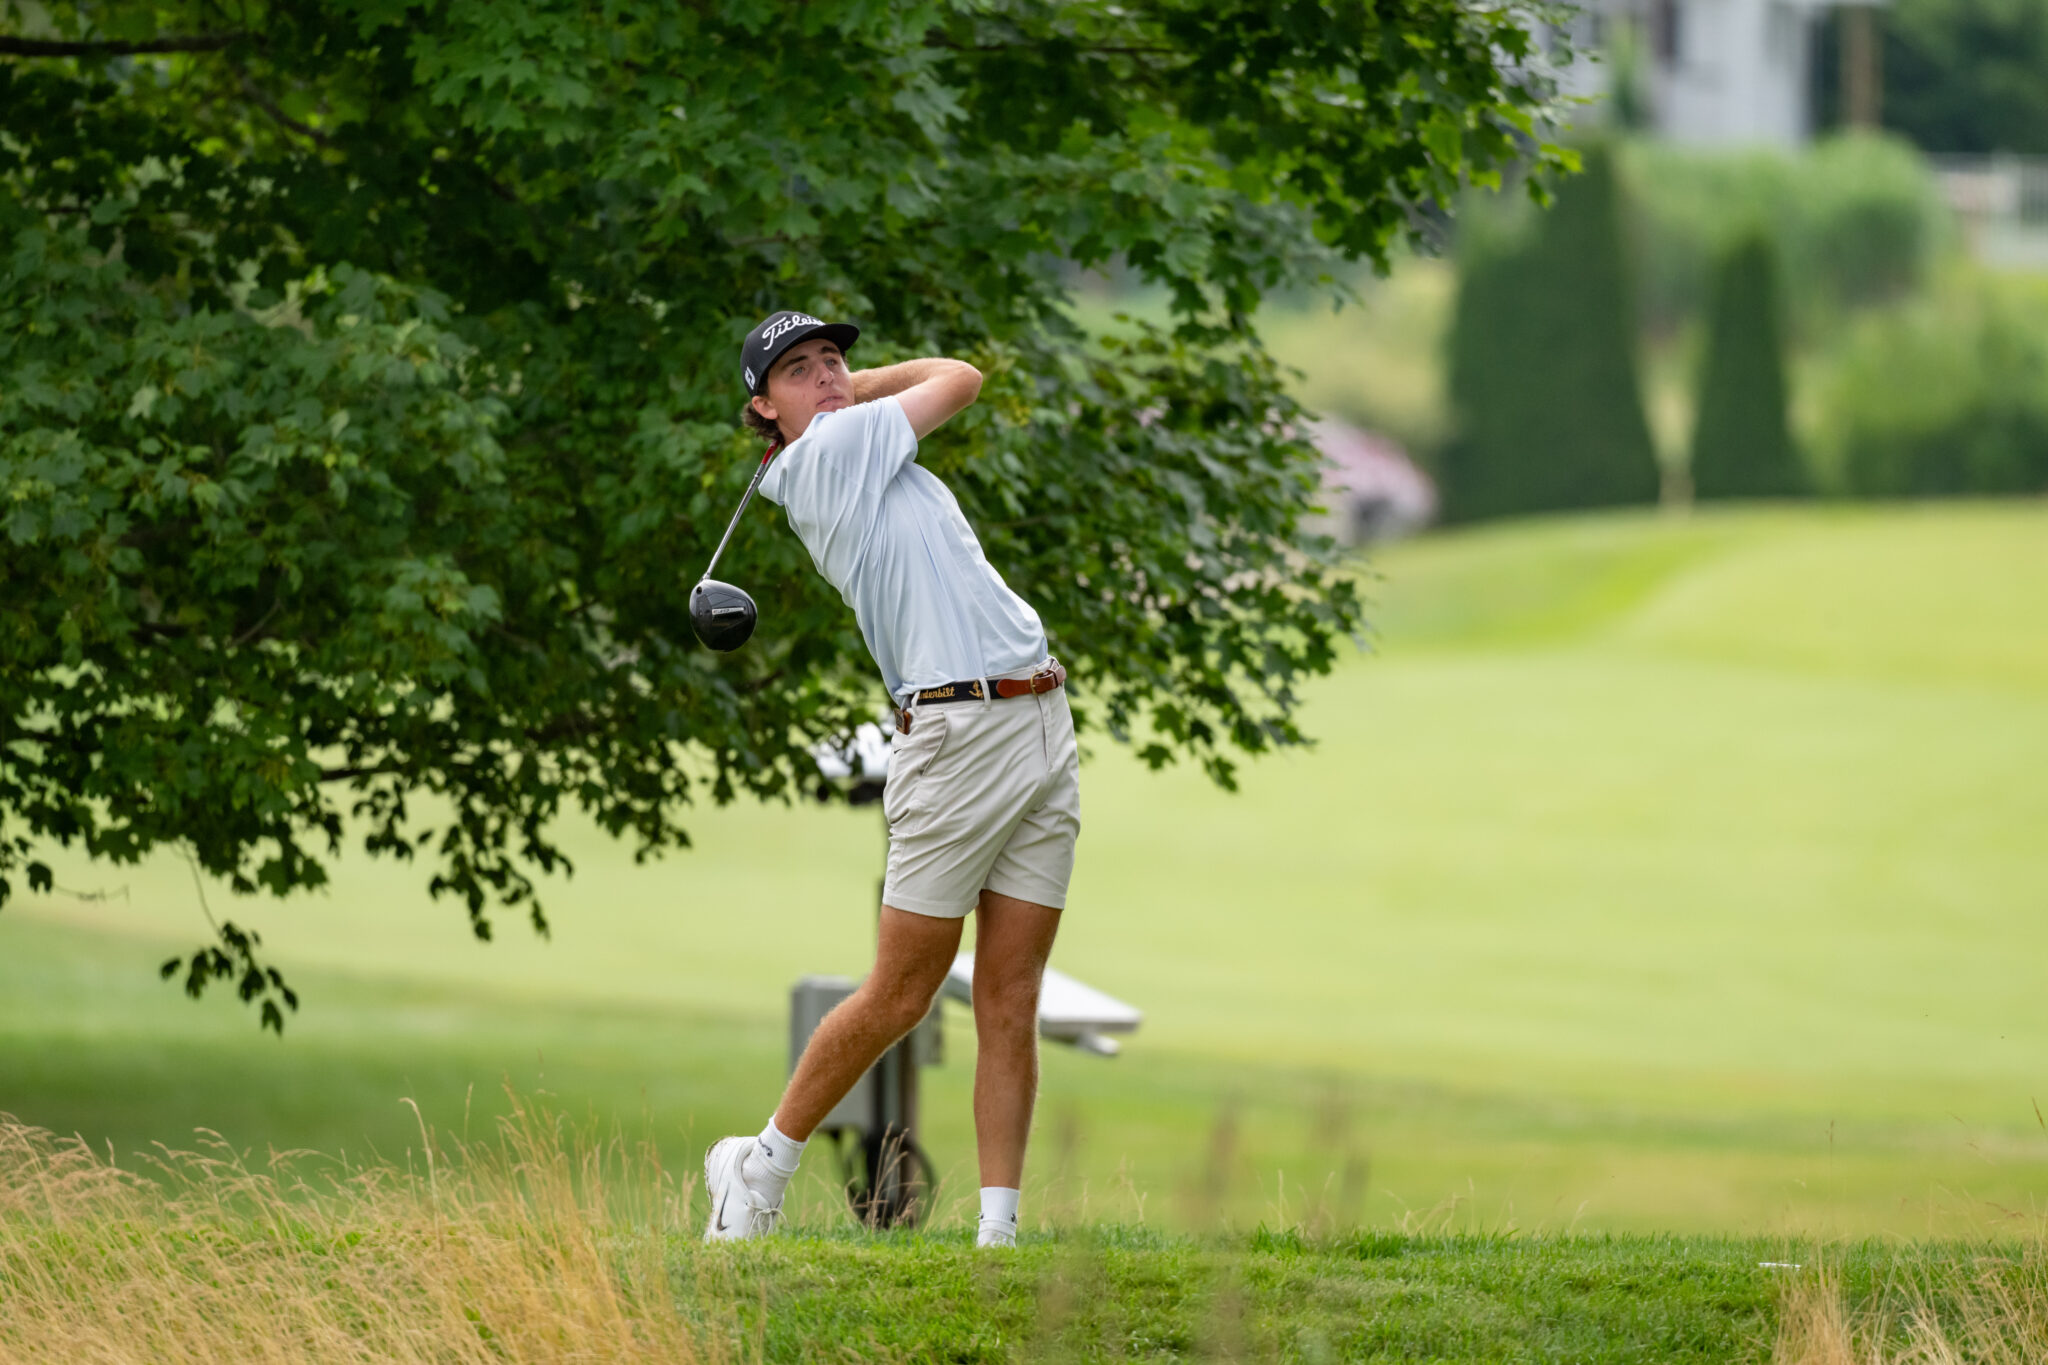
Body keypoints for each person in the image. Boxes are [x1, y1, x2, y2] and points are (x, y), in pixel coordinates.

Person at [701, 310, 1081, 1250]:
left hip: (1037, 718)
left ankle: (998, 1236)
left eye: (833, 357)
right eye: (798, 369)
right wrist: (858, 390)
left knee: (1009, 994)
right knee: (901, 991)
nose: (828, 373)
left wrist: (833, 391)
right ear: (765, 408)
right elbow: (961, 375)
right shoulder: (826, 457)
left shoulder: (871, 455)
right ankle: (763, 1163)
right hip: (955, 736)